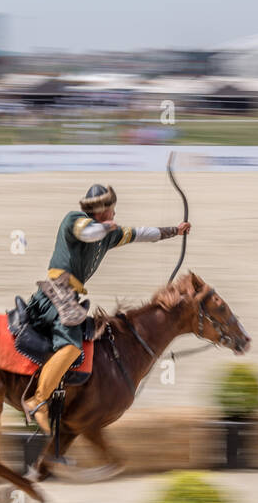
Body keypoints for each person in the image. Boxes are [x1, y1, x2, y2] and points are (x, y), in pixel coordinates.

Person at [21, 183, 190, 433]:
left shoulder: (108, 232)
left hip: (70, 296)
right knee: (70, 346)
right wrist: (106, 227)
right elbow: (89, 233)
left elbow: (141, 233)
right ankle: (38, 401)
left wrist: (174, 231)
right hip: (57, 292)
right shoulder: (75, 220)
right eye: (111, 209)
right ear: (102, 210)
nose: (114, 214)